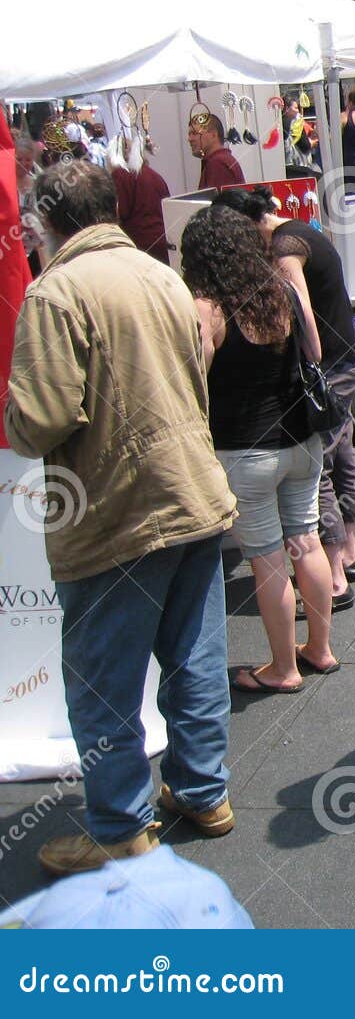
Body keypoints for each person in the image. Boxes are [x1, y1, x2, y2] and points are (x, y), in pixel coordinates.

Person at [6, 162, 237, 876]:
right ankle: (204, 791)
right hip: (192, 491)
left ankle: (118, 825)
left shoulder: (56, 292)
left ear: (48, 218)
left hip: (118, 509)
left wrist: (12, 414)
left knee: (102, 681)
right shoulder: (159, 274)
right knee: (194, 656)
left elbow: (39, 419)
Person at [181, 205, 340, 696]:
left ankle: (281, 667)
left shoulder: (208, 308)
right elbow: (315, 351)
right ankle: (319, 648)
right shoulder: (283, 290)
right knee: (306, 543)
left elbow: (194, 381)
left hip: (244, 449)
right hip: (301, 438)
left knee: (268, 560)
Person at [212, 187, 355, 614]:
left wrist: (303, 356)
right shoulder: (302, 231)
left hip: (327, 368)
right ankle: (348, 555)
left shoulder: (285, 249)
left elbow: (305, 325)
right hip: (346, 358)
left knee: (321, 475)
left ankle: (333, 577)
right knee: (341, 458)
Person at [108, 133, 172, 264]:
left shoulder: (121, 175)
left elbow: (118, 214)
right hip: (163, 245)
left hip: (139, 248)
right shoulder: (155, 176)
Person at [188, 108, 245, 189]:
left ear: (214, 135)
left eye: (194, 133)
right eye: (189, 134)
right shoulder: (222, 160)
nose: (189, 139)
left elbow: (218, 201)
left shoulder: (218, 163)